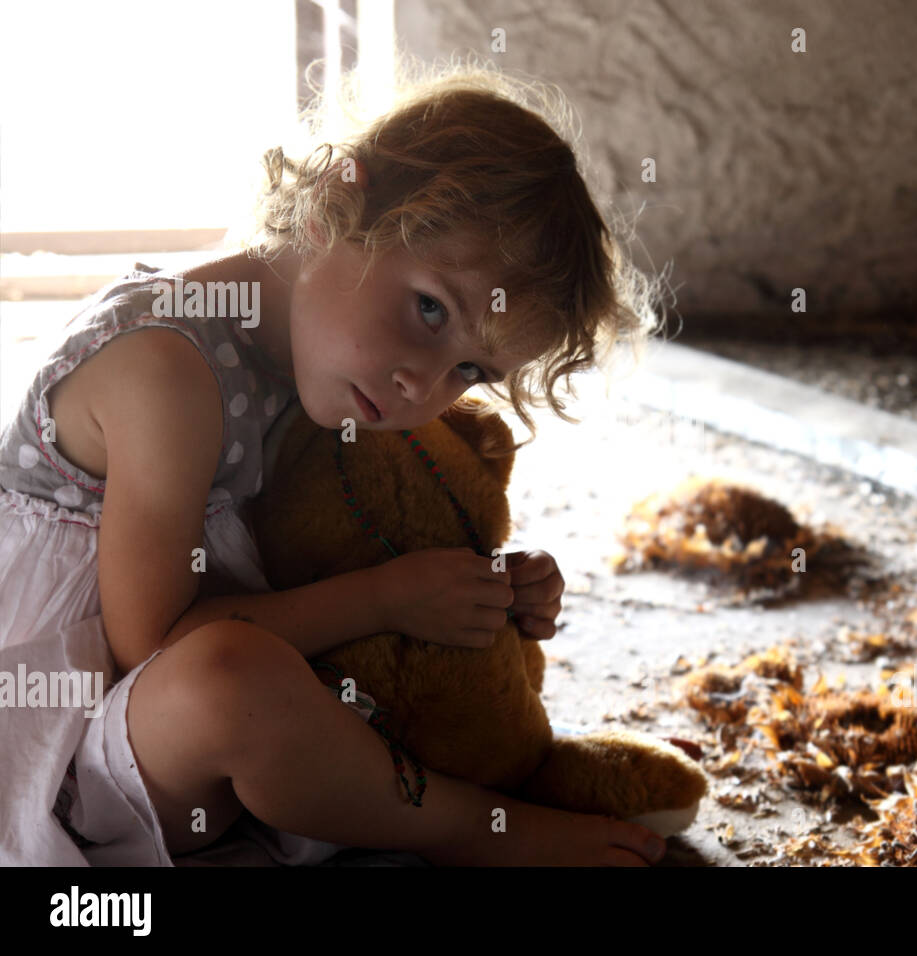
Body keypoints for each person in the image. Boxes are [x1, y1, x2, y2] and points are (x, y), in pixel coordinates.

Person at [0, 56, 674, 866]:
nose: (424, 386)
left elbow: (369, 524)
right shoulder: (167, 369)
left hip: (159, 744)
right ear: (332, 206)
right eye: (430, 309)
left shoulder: (335, 357)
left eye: (472, 370)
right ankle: (477, 828)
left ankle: (416, 790)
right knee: (230, 678)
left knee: (271, 681)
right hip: (56, 756)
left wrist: (491, 586)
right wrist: (387, 598)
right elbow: (149, 645)